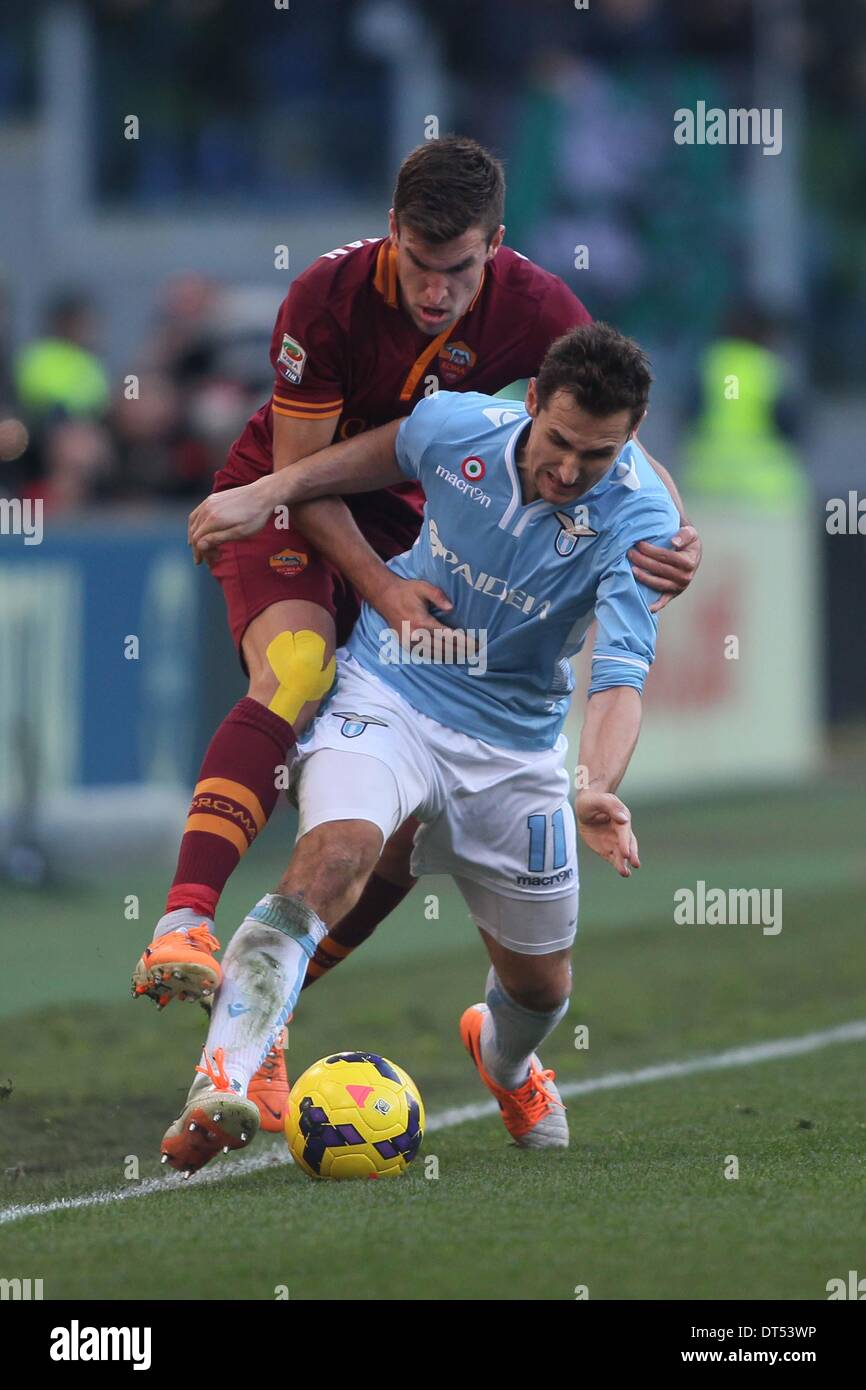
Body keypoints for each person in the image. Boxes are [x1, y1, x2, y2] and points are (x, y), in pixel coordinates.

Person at [133, 137, 699, 1135]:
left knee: (513, 963)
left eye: (460, 271)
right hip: (304, 499)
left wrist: (597, 780)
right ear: (390, 232)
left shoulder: (549, 341)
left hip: (506, 726)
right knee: (305, 685)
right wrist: (325, 544)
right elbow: (332, 470)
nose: (435, 294)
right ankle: (187, 932)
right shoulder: (333, 303)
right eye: (418, 265)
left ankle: (486, 1046)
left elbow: (618, 651)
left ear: (497, 248)